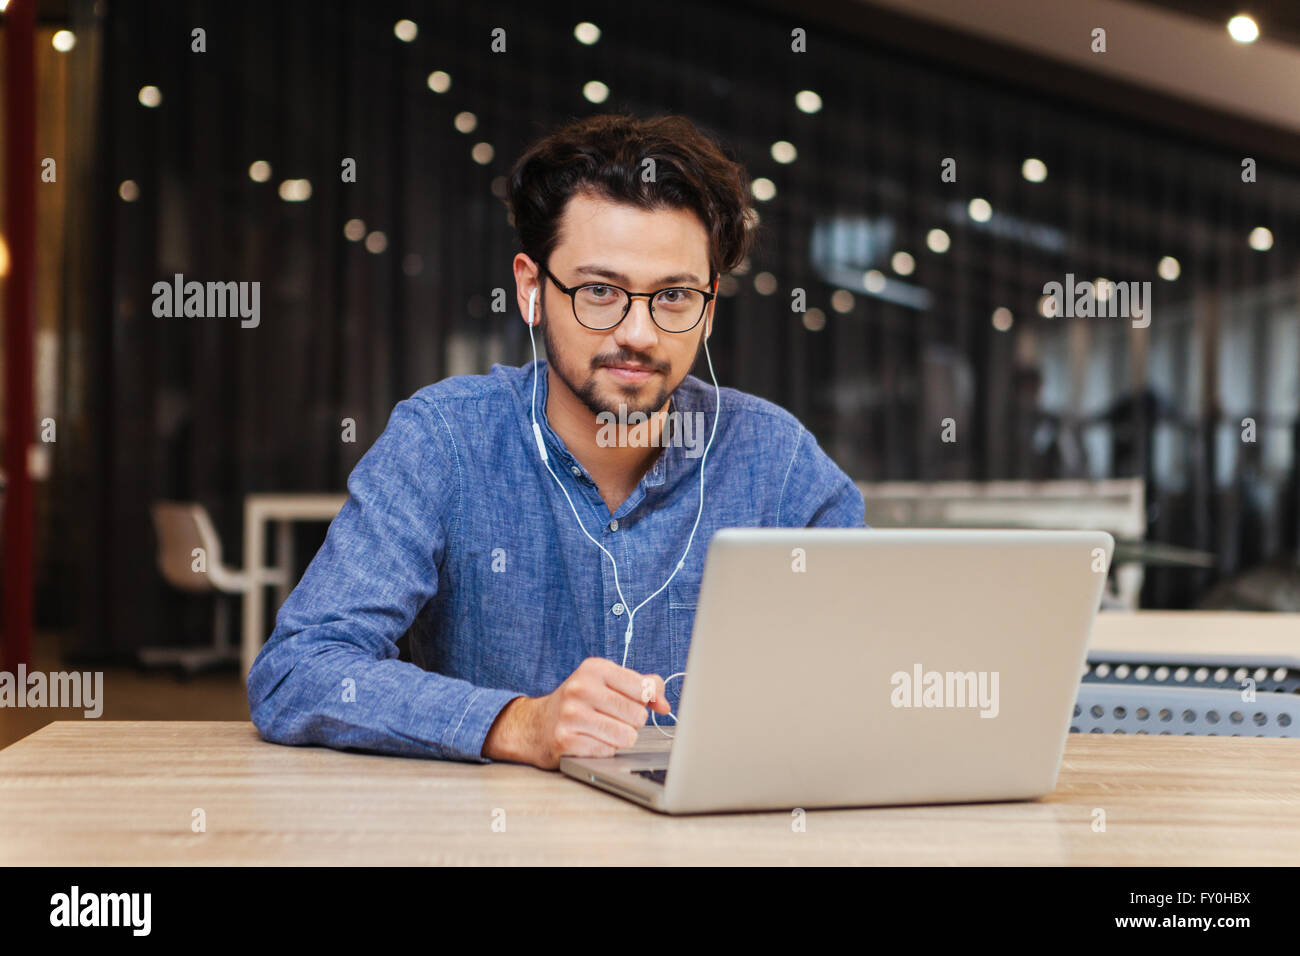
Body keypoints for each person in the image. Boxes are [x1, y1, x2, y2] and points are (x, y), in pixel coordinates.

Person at [247, 113, 864, 769]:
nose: (639, 333)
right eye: (600, 291)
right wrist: (516, 724)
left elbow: (881, 665)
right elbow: (297, 670)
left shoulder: (776, 461)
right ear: (532, 289)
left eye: (674, 296)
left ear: (708, 308)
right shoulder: (447, 441)